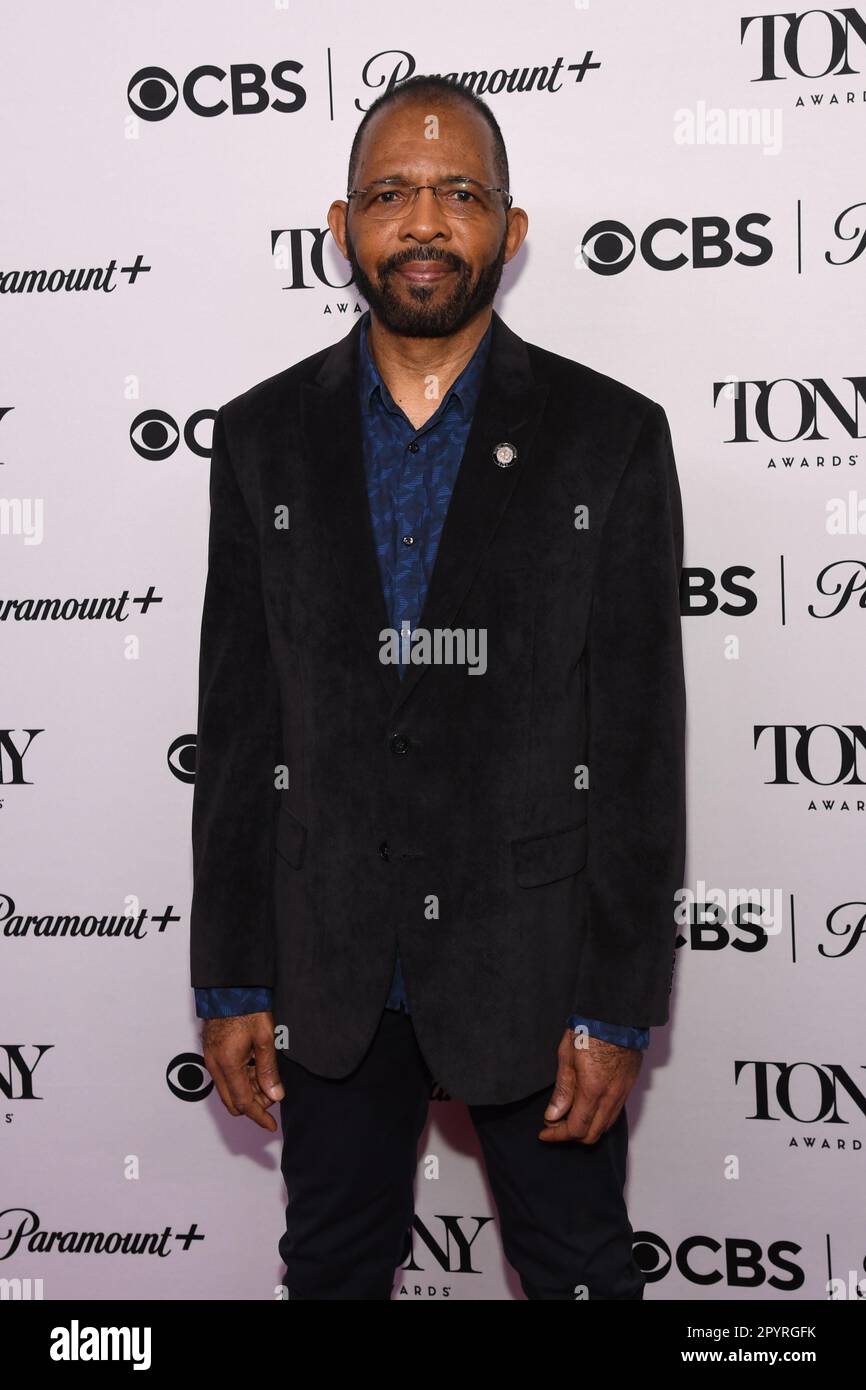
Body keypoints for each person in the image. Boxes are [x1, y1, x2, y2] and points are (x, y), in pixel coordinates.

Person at [190, 74, 686, 1300]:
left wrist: (616, 1005)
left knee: (579, 1270)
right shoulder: (259, 438)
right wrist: (233, 976)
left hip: (532, 965)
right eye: (391, 194)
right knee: (332, 1271)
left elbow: (634, 746)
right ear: (341, 223)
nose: (423, 222)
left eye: (458, 193)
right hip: (332, 962)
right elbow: (240, 727)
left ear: (509, 231)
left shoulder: (607, 436)